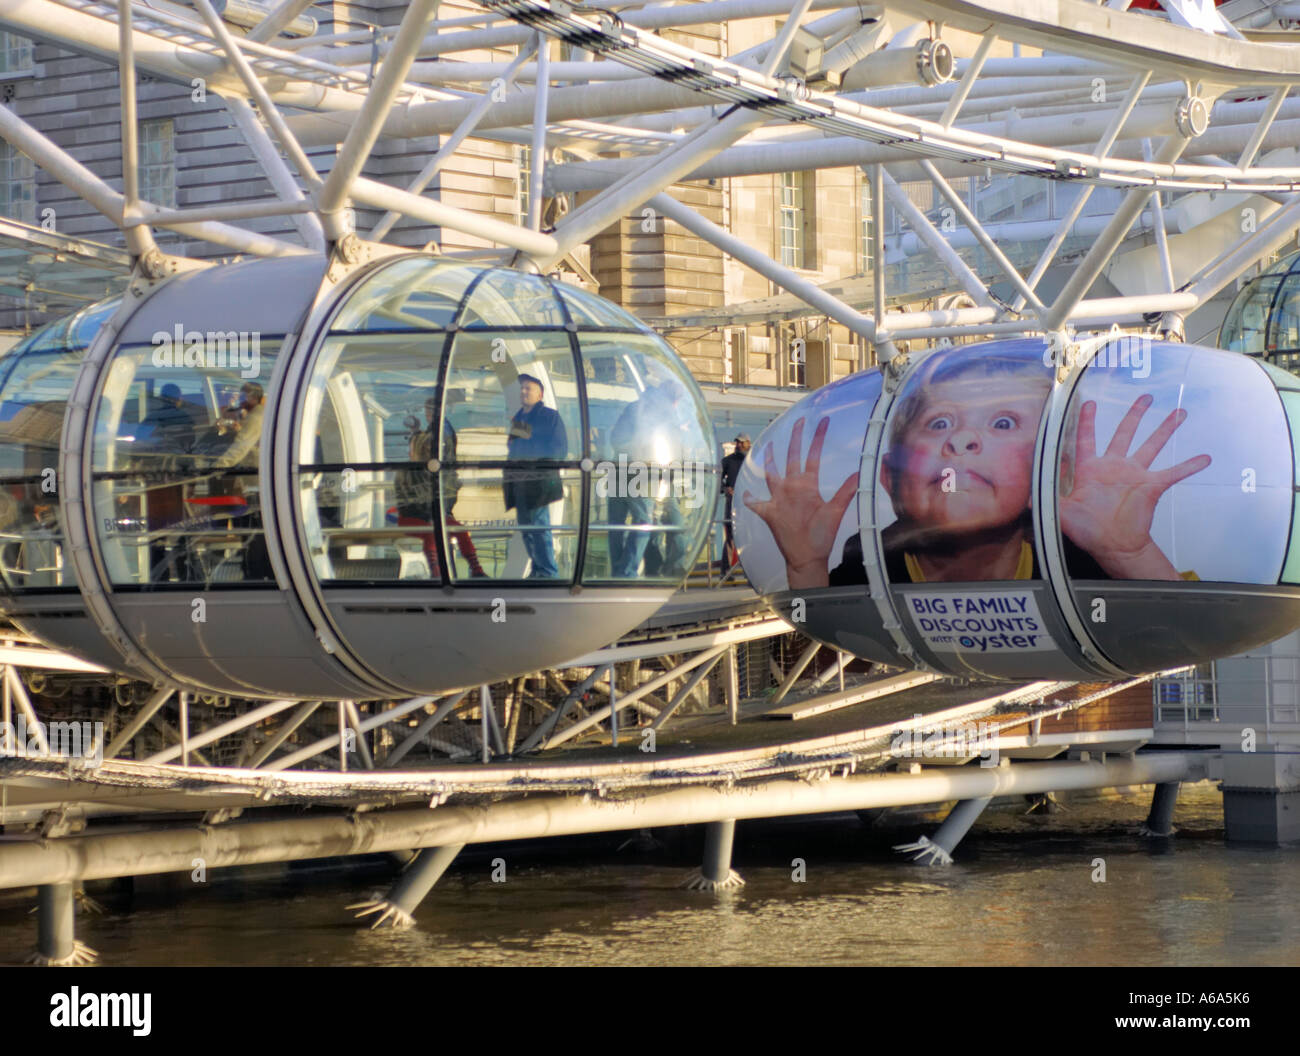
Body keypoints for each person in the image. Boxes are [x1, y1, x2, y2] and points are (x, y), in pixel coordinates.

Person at [744, 349, 1210, 590]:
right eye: (939, 422)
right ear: (890, 480)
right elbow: (824, 649)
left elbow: (1177, 636)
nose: (963, 440)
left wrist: (1129, 555)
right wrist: (805, 566)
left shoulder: (1082, 560)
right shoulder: (865, 567)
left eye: (1003, 423)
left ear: (1049, 475)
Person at [396, 395, 486, 578]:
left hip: (432, 510)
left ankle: (474, 569)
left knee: (454, 529)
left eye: (429, 411)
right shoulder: (409, 471)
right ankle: (438, 572)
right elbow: (407, 502)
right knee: (435, 531)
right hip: (421, 514)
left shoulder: (438, 434)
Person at [504, 373, 567, 578]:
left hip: (539, 482)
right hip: (520, 482)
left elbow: (559, 449)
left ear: (539, 394)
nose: (523, 391)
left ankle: (547, 571)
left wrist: (534, 455)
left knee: (539, 527)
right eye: (522, 388)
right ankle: (539, 568)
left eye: (527, 388)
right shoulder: (521, 418)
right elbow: (513, 449)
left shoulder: (549, 416)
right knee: (526, 527)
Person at [719, 433, 751, 568]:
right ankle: (726, 573)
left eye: (742, 442)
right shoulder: (728, 461)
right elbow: (716, 479)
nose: (738, 445)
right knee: (731, 537)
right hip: (732, 503)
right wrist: (726, 489)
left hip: (749, 504)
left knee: (749, 537)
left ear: (748, 443)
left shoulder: (754, 460)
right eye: (737, 442)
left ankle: (750, 572)